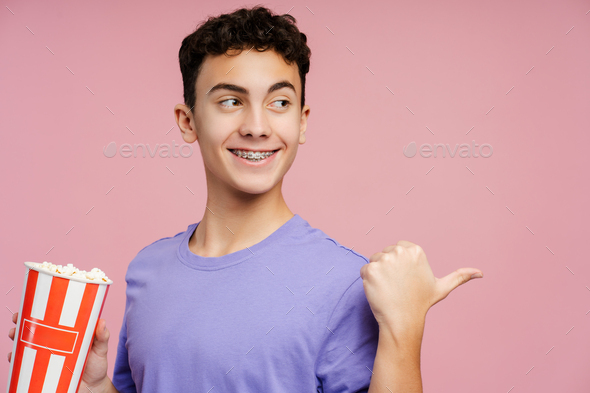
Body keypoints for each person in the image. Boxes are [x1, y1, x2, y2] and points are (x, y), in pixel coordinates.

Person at [8, 5, 483, 392]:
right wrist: (94, 387)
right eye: (231, 100)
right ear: (187, 121)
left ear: (302, 121)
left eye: (279, 102)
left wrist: (405, 328)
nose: (257, 126)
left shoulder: (346, 286)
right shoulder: (146, 270)